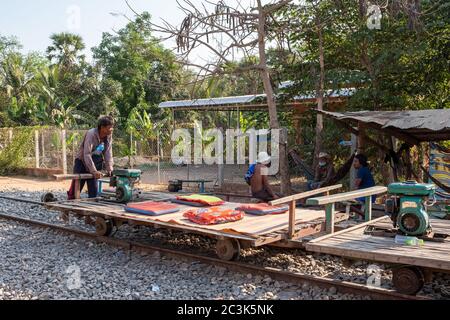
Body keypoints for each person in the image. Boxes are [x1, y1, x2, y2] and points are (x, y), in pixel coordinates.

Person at [67, 116, 115, 200]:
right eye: (109, 127)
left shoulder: (109, 136)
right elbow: (87, 154)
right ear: (102, 127)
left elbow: (108, 152)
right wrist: (94, 171)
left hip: (94, 162)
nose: (111, 129)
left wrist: (110, 168)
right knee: (76, 189)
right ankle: (68, 209)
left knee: (93, 192)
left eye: (112, 127)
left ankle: (90, 210)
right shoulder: (91, 134)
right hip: (81, 162)